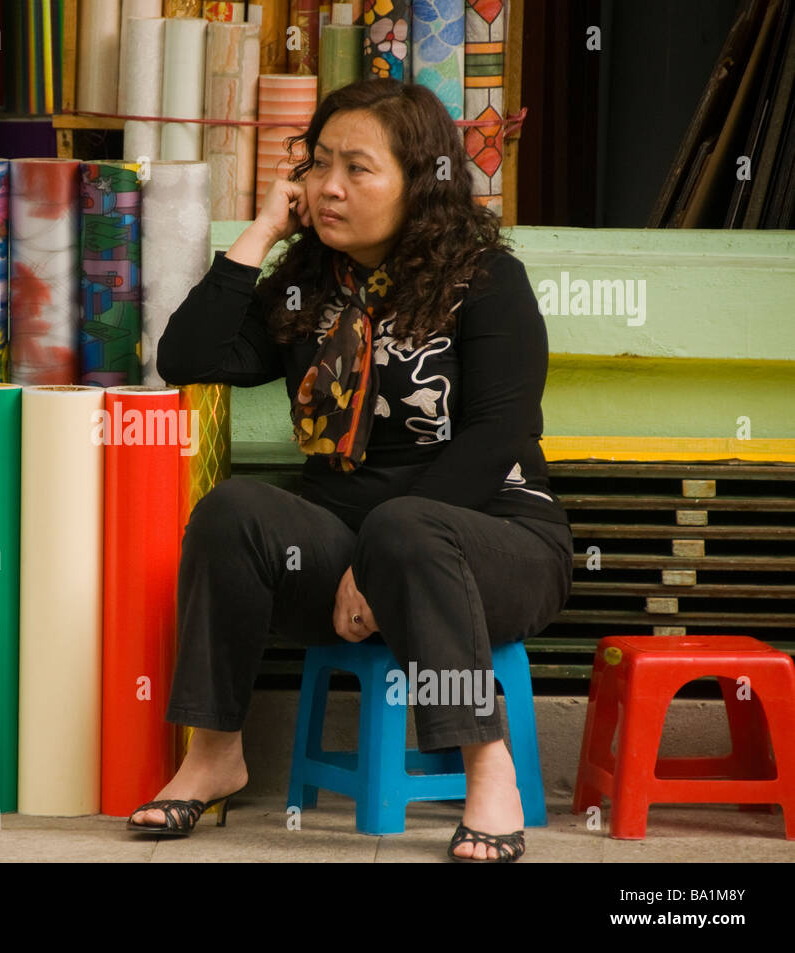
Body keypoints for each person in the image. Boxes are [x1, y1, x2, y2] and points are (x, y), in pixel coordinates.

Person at [127, 78, 573, 862]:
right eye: (318, 163)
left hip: (495, 546)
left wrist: (376, 559)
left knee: (407, 528)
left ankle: (487, 765)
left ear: (421, 183)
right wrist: (263, 230)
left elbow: (500, 430)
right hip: (347, 553)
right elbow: (186, 356)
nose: (328, 186)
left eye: (357, 169)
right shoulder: (308, 288)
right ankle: (214, 753)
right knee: (234, 511)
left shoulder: (486, 280)